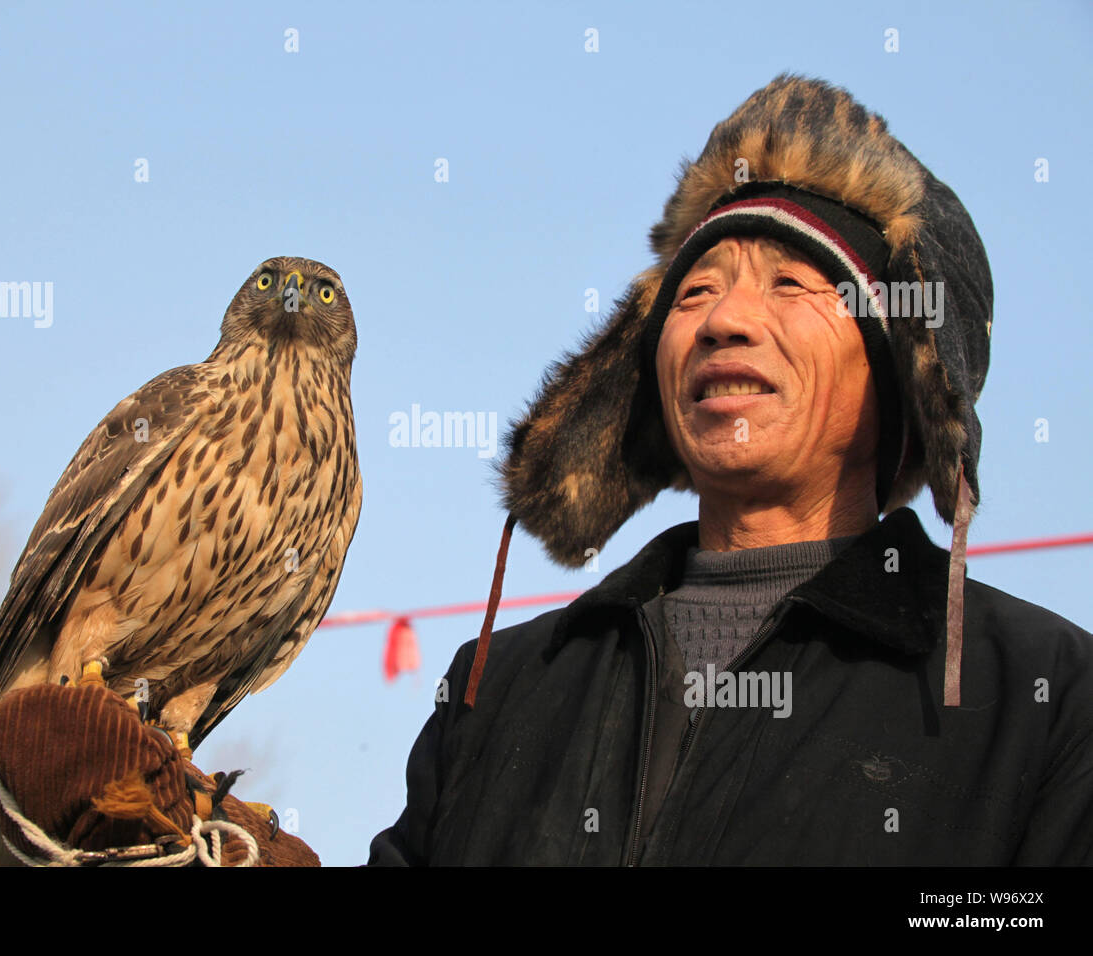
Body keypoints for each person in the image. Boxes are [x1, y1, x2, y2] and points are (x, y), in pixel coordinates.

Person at [367, 74, 1093, 866]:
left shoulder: (1041, 695)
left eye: (791, 283)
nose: (724, 319)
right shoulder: (498, 688)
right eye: (696, 290)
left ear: (897, 367)